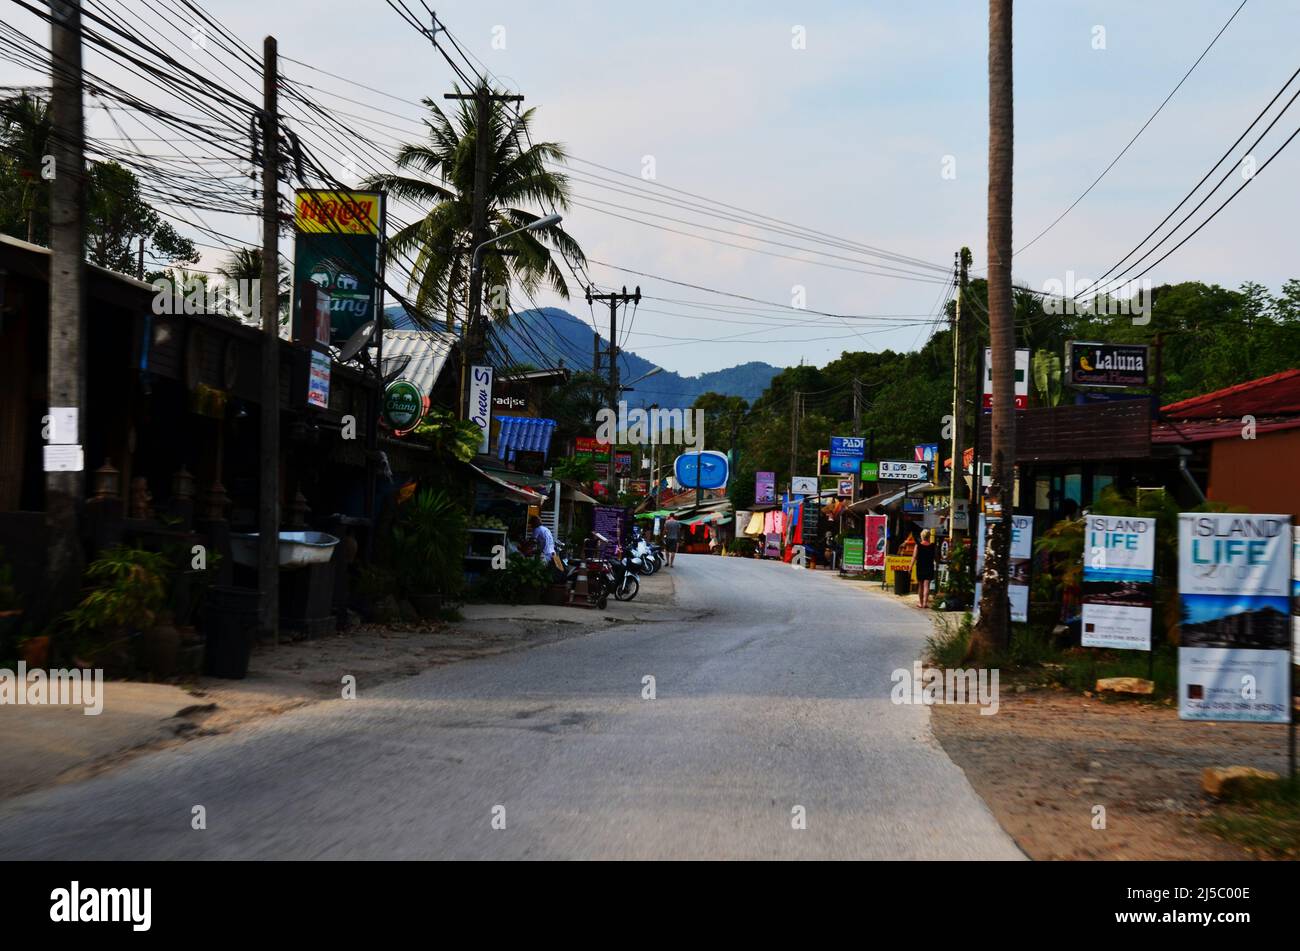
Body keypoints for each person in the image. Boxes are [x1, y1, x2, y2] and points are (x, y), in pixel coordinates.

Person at [527, 515, 563, 581]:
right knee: (552, 575)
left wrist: (527, 550)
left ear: (534, 523)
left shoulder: (537, 529)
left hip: (545, 555)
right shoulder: (546, 529)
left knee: (540, 575)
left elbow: (531, 542)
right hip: (553, 554)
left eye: (531, 524)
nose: (531, 526)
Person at [915, 529, 937, 609]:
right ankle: (925, 603)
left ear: (921, 536)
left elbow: (914, 557)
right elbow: (936, 557)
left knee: (920, 585)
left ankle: (920, 603)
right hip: (929, 566)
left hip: (920, 566)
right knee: (926, 585)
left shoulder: (918, 546)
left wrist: (910, 567)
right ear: (929, 537)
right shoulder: (932, 546)